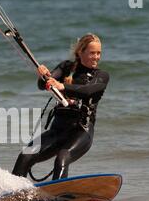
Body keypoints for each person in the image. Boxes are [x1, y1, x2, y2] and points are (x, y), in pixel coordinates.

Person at [12, 33, 109, 180]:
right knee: (26, 154)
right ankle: (14, 194)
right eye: (92, 53)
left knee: (62, 158)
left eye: (98, 53)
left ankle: (57, 198)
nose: (96, 57)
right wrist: (43, 76)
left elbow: (88, 90)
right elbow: (43, 84)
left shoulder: (101, 75)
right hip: (58, 129)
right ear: (80, 52)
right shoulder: (66, 67)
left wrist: (62, 86)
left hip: (81, 131)